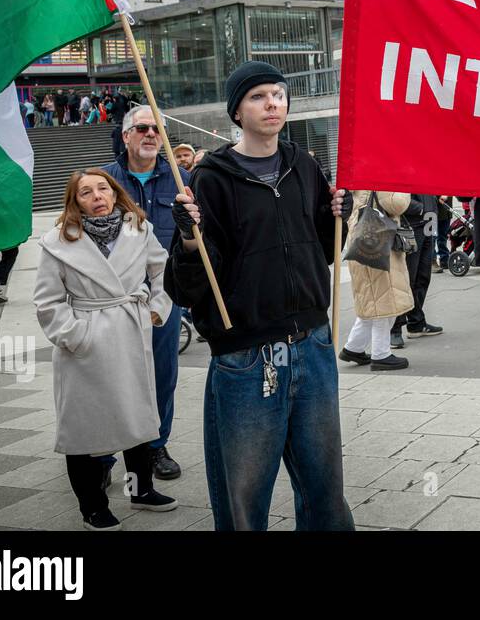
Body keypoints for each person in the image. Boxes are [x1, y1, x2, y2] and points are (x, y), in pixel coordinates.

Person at [165, 61, 353, 531]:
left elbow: (321, 254)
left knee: (325, 489)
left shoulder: (303, 164)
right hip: (247, 356)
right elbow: (188, 286)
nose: (273, 103)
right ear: (236, 111)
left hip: (314, 344)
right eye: (258, 96)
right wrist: (190, 241)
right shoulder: (211, 177)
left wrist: (337, 217)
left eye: (279, 94)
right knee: (244, 498)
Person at [33, 169, 177, 530]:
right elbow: (47, 301)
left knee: (135, 417)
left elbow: (163, 271)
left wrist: (157, 308)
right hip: (85, 341)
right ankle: (92, 506)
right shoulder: (59, 241)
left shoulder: (138, 229)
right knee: (84, 427)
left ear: (114, 194)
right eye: (86, 192)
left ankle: (140, 491)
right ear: (75, 202)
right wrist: (76, 335)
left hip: (129, 331)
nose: (97, 196)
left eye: (103, 188)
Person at [102, 105, 190, 482]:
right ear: (126, 136)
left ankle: (155, 447)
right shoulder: (103, 180)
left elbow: (194, 238)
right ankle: (101, 456)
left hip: (163, 294)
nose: (151, 134)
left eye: (157, 129)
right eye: (142, 128)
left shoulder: (181, 178)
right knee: (109, 378)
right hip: (112, 299)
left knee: (163, 374)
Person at [339, 190, 413, 371]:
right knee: (385, 301)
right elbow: (396, 204)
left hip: (363, 241)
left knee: (372, 300)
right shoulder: (379, 174)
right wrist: (405, 188)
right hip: (378, 245)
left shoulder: (358, 178)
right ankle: (381, 354)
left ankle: (353, 348)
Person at [396, 194, 442, 343]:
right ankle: (395, 328)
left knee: (423, 277)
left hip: (428, 223)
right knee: (407, 280)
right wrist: (422, 208)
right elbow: (394, 198)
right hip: (410, 226)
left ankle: (416, 322)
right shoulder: (404, 170)